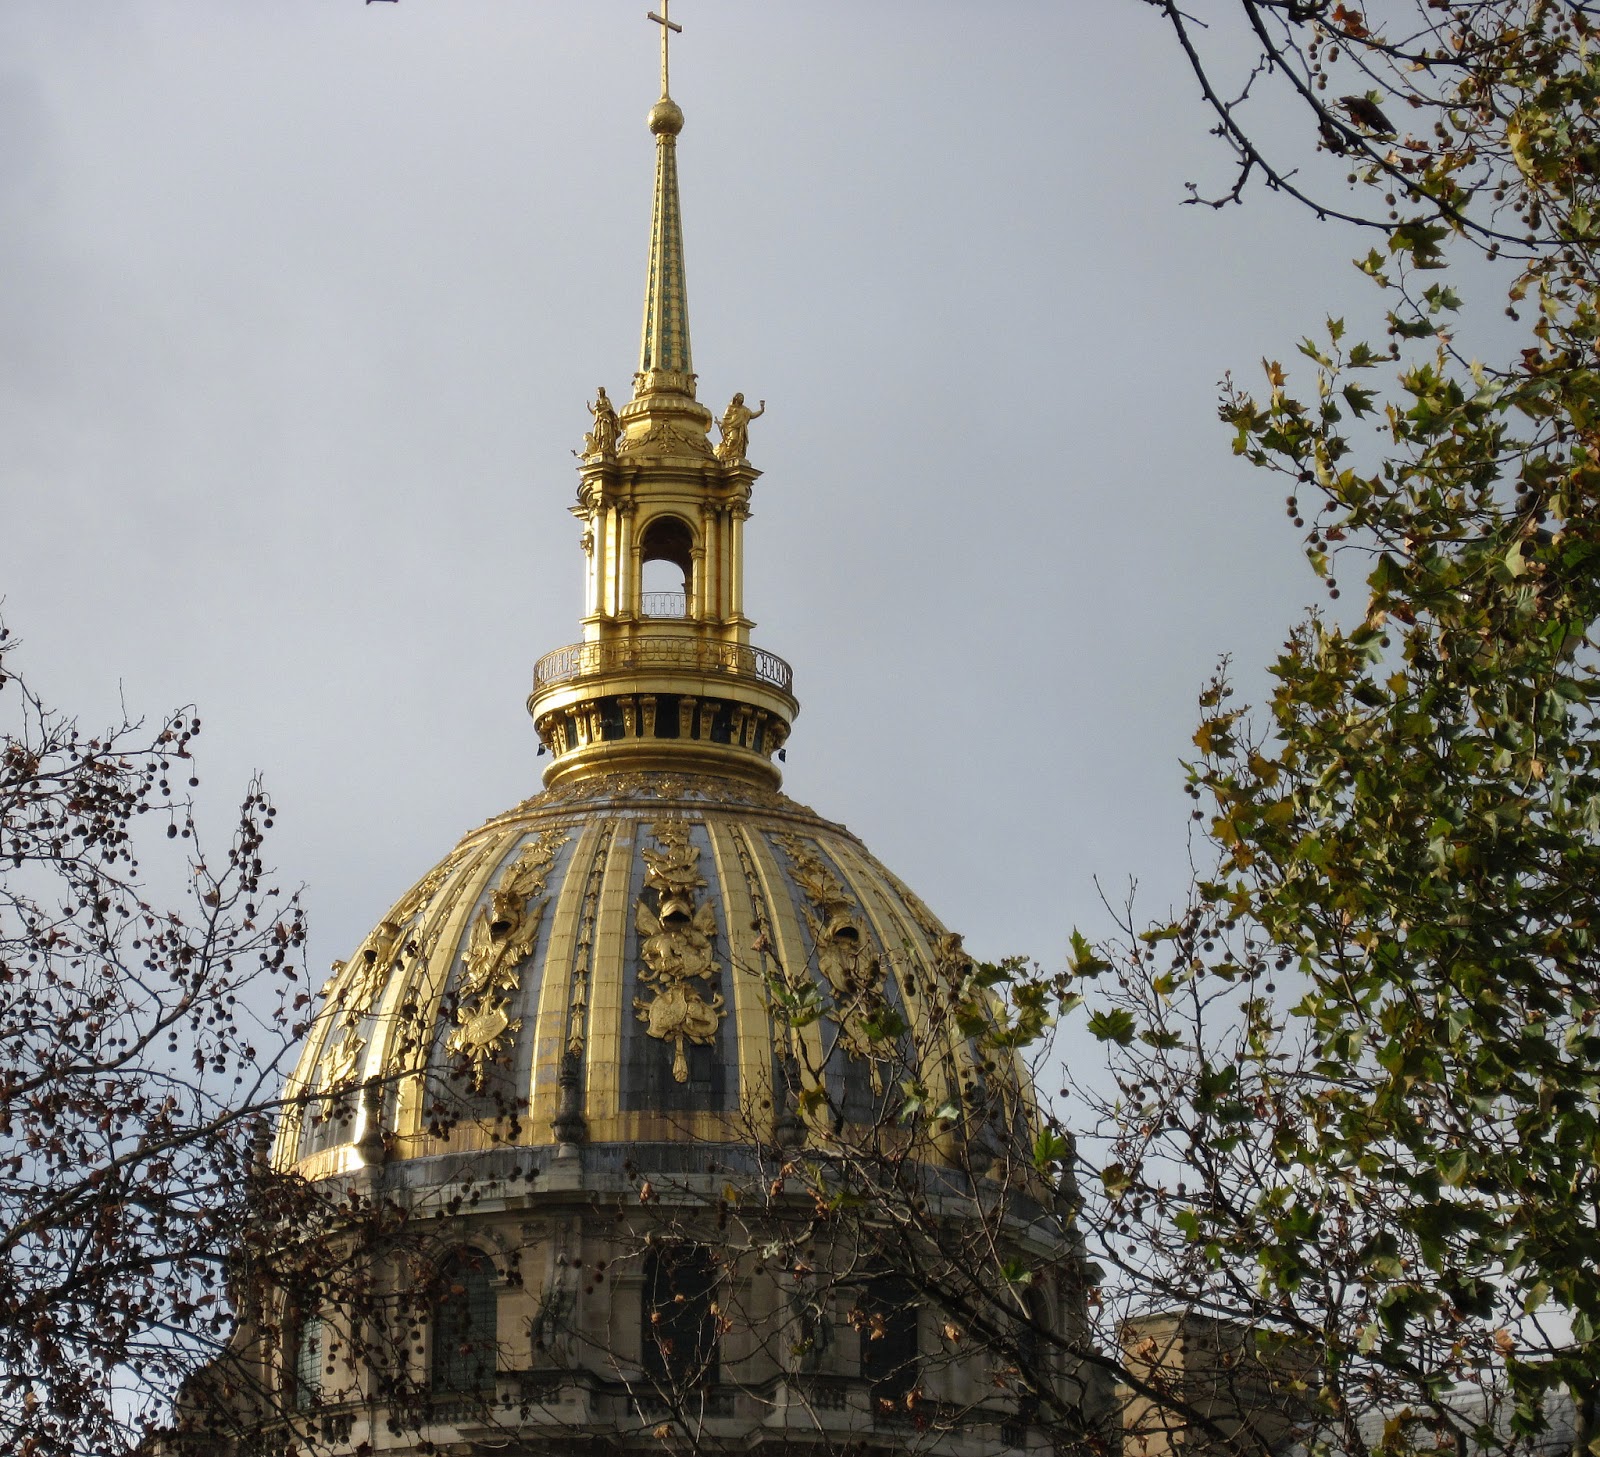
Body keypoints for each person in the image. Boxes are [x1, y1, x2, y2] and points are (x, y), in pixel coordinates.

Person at [715, 393, 765, 461]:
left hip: (741, 428)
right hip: (731, 427)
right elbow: (725, 418)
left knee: (741, 443)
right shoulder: (731, 407)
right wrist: (722, 425)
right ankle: (727, 454)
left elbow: (752, 415)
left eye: (743, 398)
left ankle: (736, 454)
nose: (742, 399)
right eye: (740, 397)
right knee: (733, 439)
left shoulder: (745, 409)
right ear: (736, 398)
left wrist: (761, 410)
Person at [584, 386, 619, 456]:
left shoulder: (606, 400)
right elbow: (594, 412)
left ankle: (605, 447)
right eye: (598, 392)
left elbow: (610, 408)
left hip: (605, 420)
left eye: (600, 392)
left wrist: (602, 410)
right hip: (598, 421)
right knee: (597, 435)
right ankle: (600, 447)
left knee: (605, 433)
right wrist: (588, 407)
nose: (599, 393)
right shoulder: (597, 402)